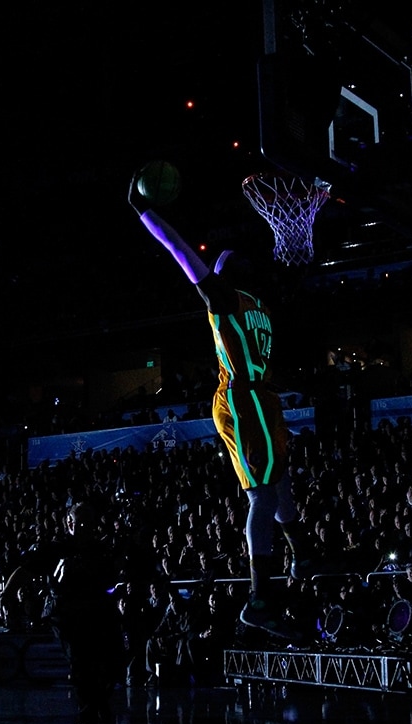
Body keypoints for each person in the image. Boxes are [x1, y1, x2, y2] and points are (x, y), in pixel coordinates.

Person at [128, 168, 310, 641]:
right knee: (265, 492)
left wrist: (145, 209)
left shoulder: (240, 302)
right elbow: (185, 254)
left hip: (255, 399)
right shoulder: (245, 305)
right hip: (248, 399)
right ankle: (260, 596)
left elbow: (185, 254)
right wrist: (147, 213)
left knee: (278, 482)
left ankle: (298, 551)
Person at [0, 502, 126, 724]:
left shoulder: (101, 550)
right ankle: (87, 717)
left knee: (110, 660)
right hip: (67, 616)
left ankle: (99, 701)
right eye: (81, 523)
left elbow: (113, 580)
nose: (87, 528)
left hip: (97, 612)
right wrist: (6, 593)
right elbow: (26, 569)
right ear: (69, 523)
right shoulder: (55, 549)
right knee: (81, 664)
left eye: (90, 523)